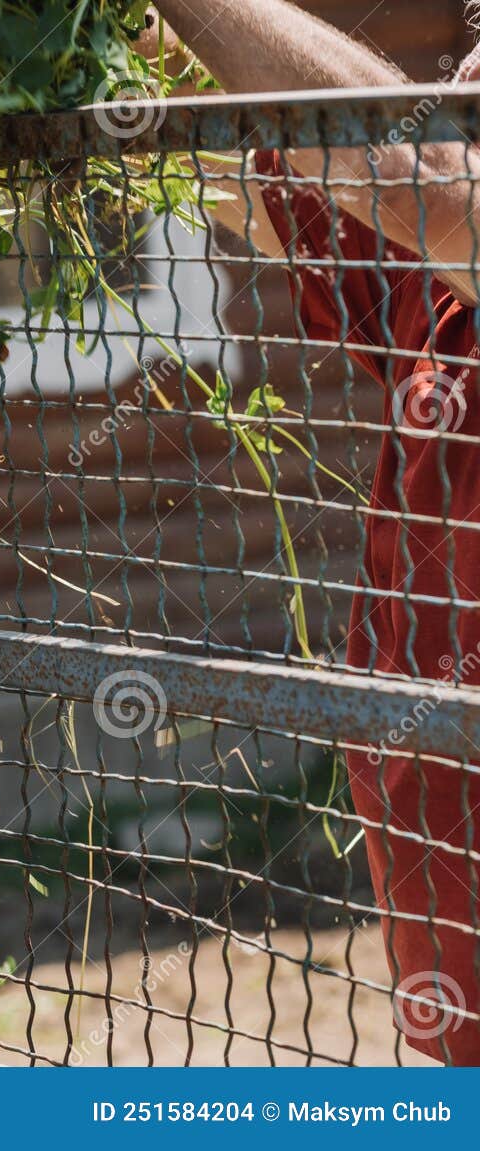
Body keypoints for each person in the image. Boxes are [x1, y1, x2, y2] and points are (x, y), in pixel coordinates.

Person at [144, 0, 480, 1063]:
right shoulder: (449, 312)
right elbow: (285, 193)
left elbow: (415, 186)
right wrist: (102, 53)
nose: (468, 51)